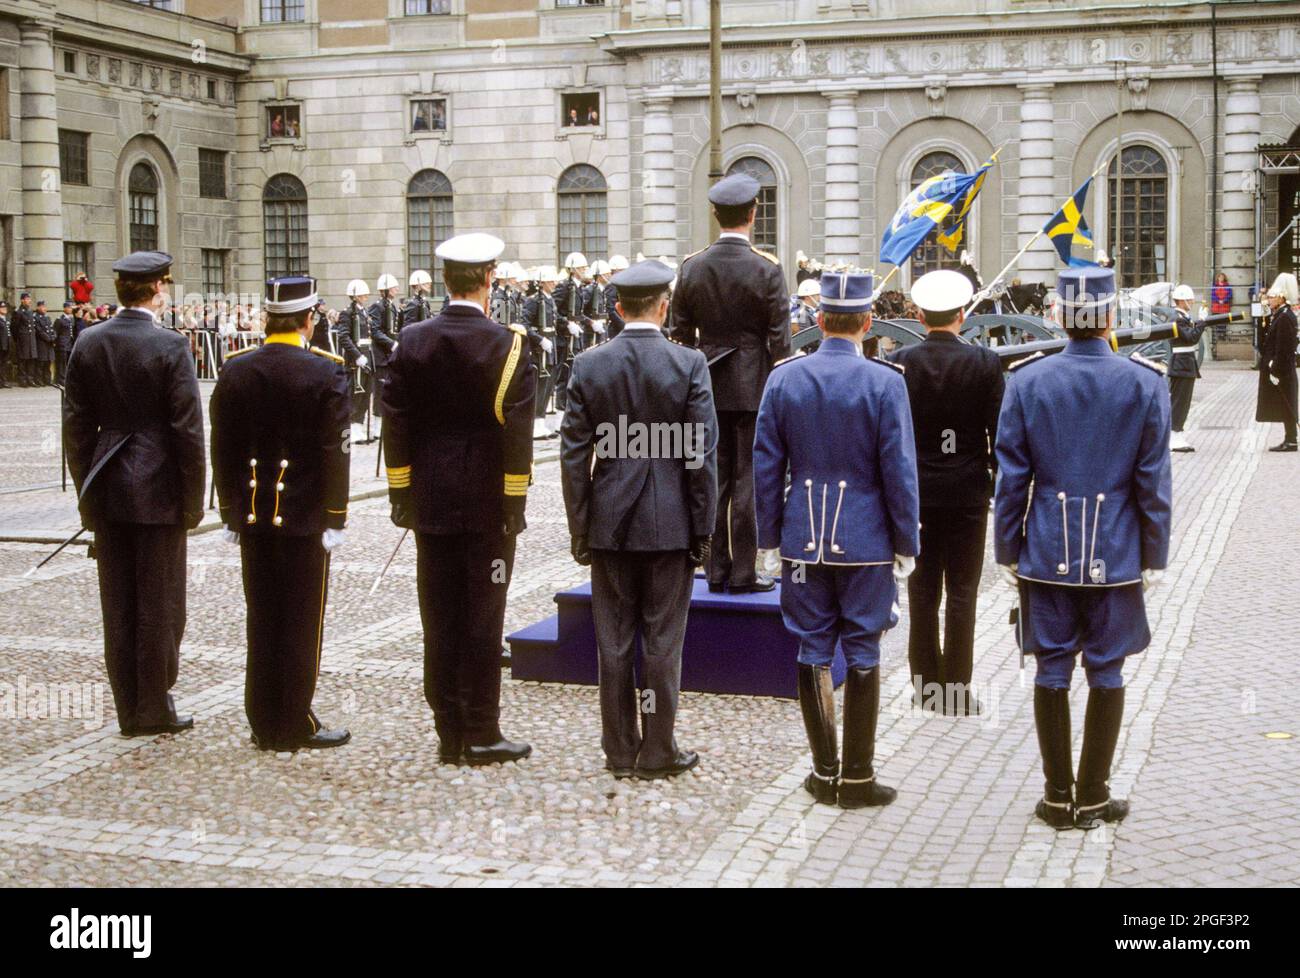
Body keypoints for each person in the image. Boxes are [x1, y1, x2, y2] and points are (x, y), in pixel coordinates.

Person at [995, 264, 1172, 830]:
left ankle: (1056, 797)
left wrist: (1005, 550)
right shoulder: (1146, 382)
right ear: (1112, 317)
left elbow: (1011, 480)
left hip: (1046, 549)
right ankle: (1093, 795)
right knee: (1108, 671)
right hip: (1116, 552)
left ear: (1059, 317)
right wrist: (1155, 555)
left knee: (1051, 667)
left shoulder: (1026, 381)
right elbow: (1153, 483)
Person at [754, 269, 920, 808]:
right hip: (866, 538)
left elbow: (765, 467)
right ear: (868, 323)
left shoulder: (784, 378)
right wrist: (906, 541)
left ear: (819, 320)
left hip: (804, 537)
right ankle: (858, 777)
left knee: (812, 646)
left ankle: (824, 774)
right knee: (864, 647)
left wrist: (769, 536)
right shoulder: (886, 381)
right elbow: (899, 470)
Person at [382, 232, 536, 766]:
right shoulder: (508, 344)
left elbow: (395, 422)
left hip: (431, 500)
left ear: (445, 280)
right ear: (489, 278)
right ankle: (482, 729)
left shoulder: (413, 340)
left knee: (439, 616)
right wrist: (515, 504)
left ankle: (449, 730)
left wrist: (400, 491)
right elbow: (518, 436)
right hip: (489, 505)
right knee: (484, 615)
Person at [560, 259, 718, 780]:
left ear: (618, 308)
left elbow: (573, 455)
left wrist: (580, 527)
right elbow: (699, 454)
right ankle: (658, 749)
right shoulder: (689, 363)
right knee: (662, 643)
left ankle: (620, 749)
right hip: (670, 521)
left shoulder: (589, 365)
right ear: (664, 304)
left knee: (614, 642)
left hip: (609, 519)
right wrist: (703, 528)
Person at [63, 251, 206, 737]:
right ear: (158, 289)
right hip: (158, 486)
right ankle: (154, 706)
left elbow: (76, 427)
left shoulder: (89, 341)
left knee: (119, 604)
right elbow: (188, 430)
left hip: (106, 485)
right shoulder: (170, 345)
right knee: (161, 605)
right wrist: (193, 500)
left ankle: (129, 709)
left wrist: (87, 491)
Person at [210, 275, 352, 752]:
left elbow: (222, 448)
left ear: (269, 319)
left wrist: (230, 511)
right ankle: (292, 720)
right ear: (308, 321)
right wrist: (336, 516)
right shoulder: (325, 372)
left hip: (253, 514)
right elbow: (338, 451)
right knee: (300, 620)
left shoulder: (236, 369)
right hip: (305, 515)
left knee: (262, 615)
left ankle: (262, 717)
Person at [671, 171, 791, 594]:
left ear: (715, 214)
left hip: (706, 382)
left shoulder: (692, 267)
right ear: (753, 214)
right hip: (754, 385)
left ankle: (716, 568)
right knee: (748, 481)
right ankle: (744, 571)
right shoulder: (767, 268)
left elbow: (680, 336)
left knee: (711, 479)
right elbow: (781, 343)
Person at [890, 269, 1003, 715]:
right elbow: (999, 433)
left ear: (919, 316)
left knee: (921, 592)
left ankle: (924, 686)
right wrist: (991, 478)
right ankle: (955, 692)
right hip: (967, 493)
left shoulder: (900, 361)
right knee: (962, 593)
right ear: (962, 315)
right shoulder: (985, 363)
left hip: (917, 492)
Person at [1258, 272, 1298, 452]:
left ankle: (1291, 439)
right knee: (1284, 403)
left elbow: (1284, 347)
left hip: (1283, 369)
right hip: (1281, 368)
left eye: (1273, 296)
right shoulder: (1280, 315)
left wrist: (1275, 368)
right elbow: (1264, 342)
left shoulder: (1285, 317)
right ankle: (1289, 438)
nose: (1270, 299)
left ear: (1282, 297)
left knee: (1288, 403)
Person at [1167, 284, 1205, 453]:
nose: (1192, 301)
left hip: (1185, 363)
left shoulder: (1183, 317)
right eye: (1189, 299)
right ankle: (1174, 435)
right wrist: (1202, 323)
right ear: (1181, 301)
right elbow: (1191, 338)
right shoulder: (1178, 318)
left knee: (1183, 402)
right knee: (1179, 402)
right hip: (1182, 363)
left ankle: (1177, 433)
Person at [523, 265, 560, 439]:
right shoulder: (532, 301)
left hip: (550, 344)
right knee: (539, 386)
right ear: (542, 282)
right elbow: (525, 324)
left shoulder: (549, 299)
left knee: (548, 385)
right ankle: (535, 424)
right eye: (550, 281)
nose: (554, 283)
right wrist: (539, 340)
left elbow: (555, 320)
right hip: (539, 349)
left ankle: (541, 422)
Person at [334, 279, 373, 440]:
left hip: (366, 356)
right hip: (356, 360)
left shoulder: (363, 311)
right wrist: (357, 356)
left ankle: (359, 425)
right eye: (361, 294)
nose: (365, 296)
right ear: (354, 296)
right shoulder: (348, 313)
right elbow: (343, 336)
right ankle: (353, 427)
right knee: (356, 394)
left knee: (365, 394)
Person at [367, 273, 402, 420]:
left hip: (389, 355)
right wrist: (391, 343)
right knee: (380, 391)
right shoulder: (377, 306)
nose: (397, 289)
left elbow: (391, 330)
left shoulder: (391, 306)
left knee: (388, 390)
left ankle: (383, 420)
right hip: (380, 355)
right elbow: (375, 331)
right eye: (394, 287)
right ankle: (377, 422)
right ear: (386, 289)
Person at [54, 300, 76, 385]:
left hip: (69, 344)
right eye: (69, 307)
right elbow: (56, 332)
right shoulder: (59, 320)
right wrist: (56, 343)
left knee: (68, 362)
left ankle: (66, 378)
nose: (70, 309)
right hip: (62, 344)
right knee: (61, 363)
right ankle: (60, 379)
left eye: (71, 307)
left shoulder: (71, 319)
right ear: (65, 308)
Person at [0, 300, 10, 388]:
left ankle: (4, 381)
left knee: (4, 364)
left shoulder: (6, 318)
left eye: (5, 307)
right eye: (2, 307)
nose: (4, 309)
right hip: (0, 346)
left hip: (6, 346)